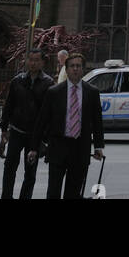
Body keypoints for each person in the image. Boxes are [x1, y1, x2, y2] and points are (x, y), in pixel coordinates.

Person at [29, 53, 104, 199]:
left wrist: (98, 146)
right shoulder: (54, 92)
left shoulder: (92, 92)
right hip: (58, 148)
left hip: (80, 149)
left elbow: (97, 121)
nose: (75, 69)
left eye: (78, 66)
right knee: (53, 192)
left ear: (83, 69)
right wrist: (34, 147)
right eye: (72, 66)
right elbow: (42, 121)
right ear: (67, 69)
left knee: (73, 193)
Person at [0, 49, 54, 199]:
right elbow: (9, 105)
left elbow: (48, 113)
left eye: (36, 60)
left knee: (30, 172)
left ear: (42, 62)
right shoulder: (17, 80)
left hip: (34, 135)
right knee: (9, 167)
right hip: (17, 130)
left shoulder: (48, 83)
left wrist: (45, 137)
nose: (33, 63)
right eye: (30, 59)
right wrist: (4, 127)